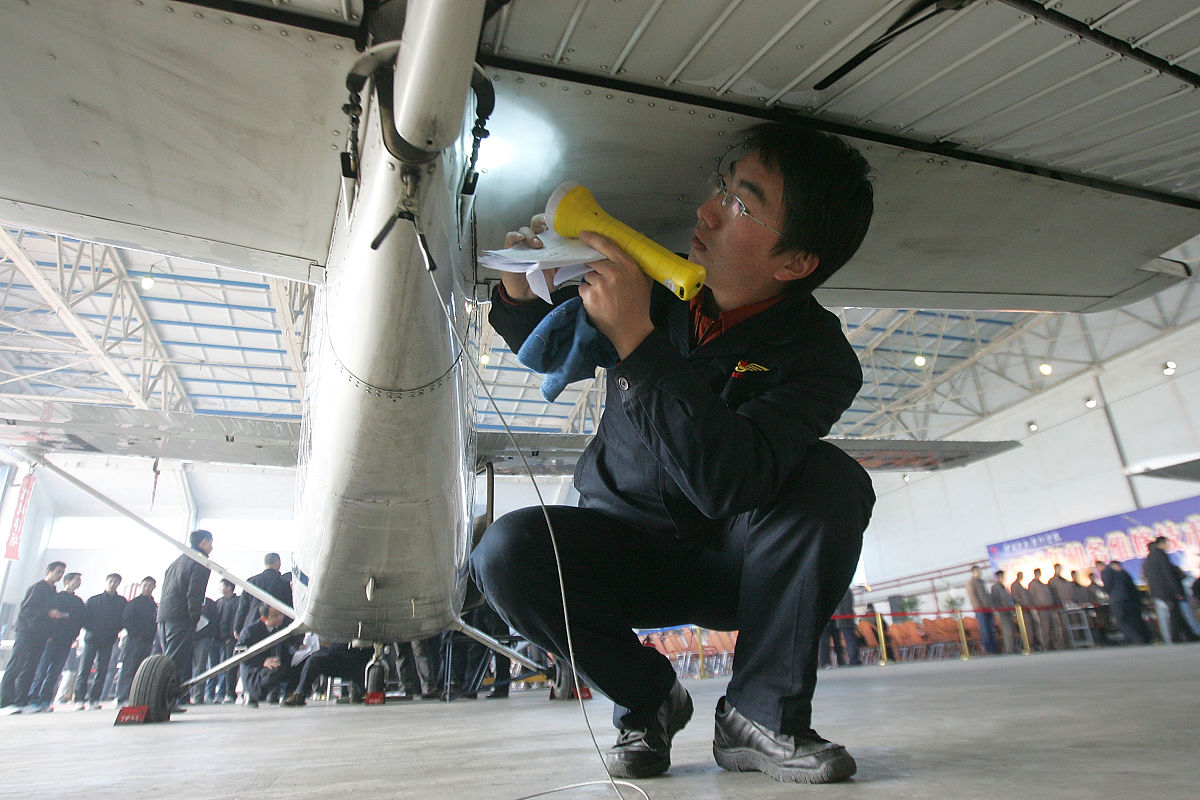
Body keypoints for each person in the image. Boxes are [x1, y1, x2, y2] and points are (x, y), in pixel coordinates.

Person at [473, 122, 874, 784]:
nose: (707, 212)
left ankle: (759, 714)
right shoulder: (657, 288)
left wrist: (637, 340)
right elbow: (547, 342)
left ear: (796, 263)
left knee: (834, 479)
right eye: (721, 188)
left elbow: (728, 482)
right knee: (505, 553)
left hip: (736, 563)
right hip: (622, 548)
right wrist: (521, 288)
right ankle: (648, 698)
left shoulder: (821, 358)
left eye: (741, 204)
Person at [1, 561, 68, 713]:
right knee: (16, 666)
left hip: (41, 636)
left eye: (62, 573)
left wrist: (50, 632)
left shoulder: (53, 591)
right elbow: (26, 610)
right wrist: (48, 612)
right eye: (58, 571)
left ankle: (21, 701)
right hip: (26, 633)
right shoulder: (37, 588)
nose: (60, 575)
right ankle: (5, 702)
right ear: (48, 571)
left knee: (30, 669)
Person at [157, 530, 213, 693]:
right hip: (181, 617)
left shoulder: (177, 562)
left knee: (167, 659)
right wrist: (194, 619)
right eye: (210, 543)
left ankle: (161, 695)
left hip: (164, 616)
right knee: (175, 662)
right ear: (203, 542)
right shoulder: (200, 562)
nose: (212, 547)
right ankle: (164, 697)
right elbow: (194, 593)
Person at [29, 572, 86, 711]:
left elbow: (79, 620)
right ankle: (32, 700)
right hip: (51, 639)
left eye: (80, 581)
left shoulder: (78, 602)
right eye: (76, 580)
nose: (79, 583)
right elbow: (49, 616)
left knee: (55, 672)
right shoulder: (56, 597)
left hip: (66, 641)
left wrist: (74, 636)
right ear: (67, 581)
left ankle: (45, 700)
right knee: (42, 670)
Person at [73, 572, 127, 710]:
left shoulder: (121, 602)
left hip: (108, 640)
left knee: (102, 670)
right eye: (111, 581)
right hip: (92, 639)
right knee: (84, 669)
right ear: (106, 582)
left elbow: (123, 620)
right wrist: (94, 629)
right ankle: (79, 699)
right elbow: (84, 619)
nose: (113, 584)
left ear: (119, 584)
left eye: (116, 582)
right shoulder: (93, 600)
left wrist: (114, 631)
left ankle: (94, 699)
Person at [237, 604, 298, 707]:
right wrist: (263, 661)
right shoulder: (250, 631)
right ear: (263, 618)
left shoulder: (282, 629)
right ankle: (252, 694)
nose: (280, 618)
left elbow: (288, 646)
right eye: (275, 616)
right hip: (256, 670)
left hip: (276, 666)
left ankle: (287, 695)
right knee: (275, 671)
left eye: (281, 614)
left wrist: (298, 649)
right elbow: (238, 652)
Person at [1143, 536, 1200, 643]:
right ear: (1162, 543)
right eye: (1167, 543)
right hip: (1168, 590)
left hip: (1158, 592)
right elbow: (1168, 574)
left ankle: (1188, 635)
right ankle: (1176, 637)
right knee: (1175, 614)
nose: (1168, 546)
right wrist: (1178, 591)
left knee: (1176, 614)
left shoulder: (1148, 560)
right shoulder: (1161, 555)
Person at [116, 577, 158, 705]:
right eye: (145, 585)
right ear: (141, 586)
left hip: (148, 642)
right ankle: (122, 697)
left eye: (150, 586)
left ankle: (136, 697)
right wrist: (136, 634)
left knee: (141, 670)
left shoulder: (153, 605)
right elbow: (126, 620)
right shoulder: (133, 603)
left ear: (154, 587)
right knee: (129, 668)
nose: (147, 588)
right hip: (134, 641)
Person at [234, 552, 292, 634]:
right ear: (277, 563)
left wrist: (237, 628)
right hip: (277, 628)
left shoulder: (251, 581)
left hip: (252, 626)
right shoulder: (284, 582)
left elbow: (243, 607)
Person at [1099, 560, 1150, 645]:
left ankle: (1135, 638)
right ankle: (1139, 638)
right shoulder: (1123, 573)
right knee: (1131, 620)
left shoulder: (1106, 572)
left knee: (1121, 621)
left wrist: (1102, 589)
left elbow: (1108, 586)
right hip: (1129, 600)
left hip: (1117, 600)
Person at [212, 579, 240, 702]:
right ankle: (217, 694)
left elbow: (236, 620)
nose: (220, 588)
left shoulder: (237, 601)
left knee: (230, 668)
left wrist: (230, 637)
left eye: (222, 586)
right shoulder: (218, 602)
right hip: (217, 640)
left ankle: (229, 693)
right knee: (216, 667)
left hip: (230, 640)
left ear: (229, 587)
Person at [1029, 568, 1064, 650]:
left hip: (1050, 608)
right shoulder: (1033, 585)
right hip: (1042, 610)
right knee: (1045, 628)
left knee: (1055, 627)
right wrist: (1037, 607)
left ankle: (1057, 645)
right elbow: (1033, 597)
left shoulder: (1044, 585)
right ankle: (1046, 645)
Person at [966, 565, 999, 655]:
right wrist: (980, 607)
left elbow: (986, 595)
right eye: (978, 571)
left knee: (991, 629)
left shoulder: (981, 582)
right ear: (974, 572)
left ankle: (994, 648)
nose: (980, 572)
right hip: (980, 610)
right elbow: (973, 597)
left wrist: (990, 607)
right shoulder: (971, 583)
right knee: (985, 630)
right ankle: (988, 649)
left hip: (988, 609)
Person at [989, 570, 1016, 654]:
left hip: (1008, 612)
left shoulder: (1003, 587)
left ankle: (1012, 648)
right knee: (1007, 631)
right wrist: (998, 611)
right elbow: (995, 600)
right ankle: (1009, 649)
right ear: (999, 577)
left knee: (1011, 630)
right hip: (1003, 613)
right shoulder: (995, 587)